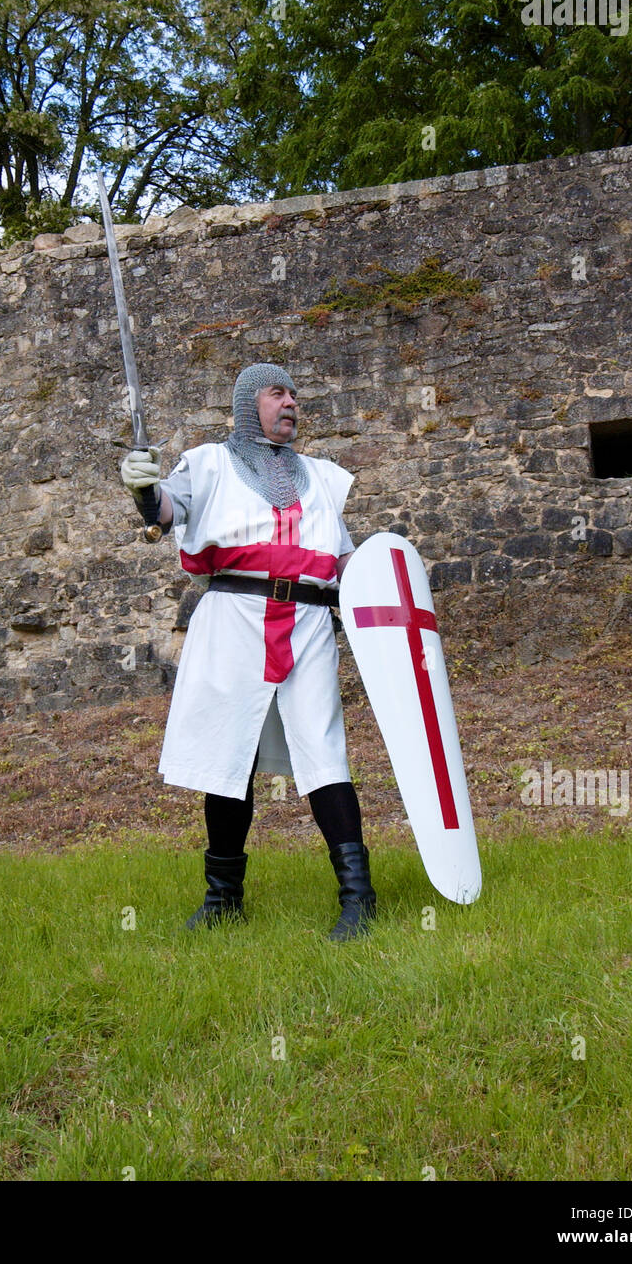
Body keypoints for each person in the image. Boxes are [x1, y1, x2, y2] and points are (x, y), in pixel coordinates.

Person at [120, 362, 376, 940]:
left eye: (294, 395)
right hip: (233, 619)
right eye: (277, 393)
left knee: (324, 749)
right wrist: (142, 488)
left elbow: (345, 562)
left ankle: (359, 899)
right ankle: (222, 900)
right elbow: (166, 511)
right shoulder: (209, 462)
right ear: (246, 403)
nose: (291, 403)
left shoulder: (321, 478)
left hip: (309, 622)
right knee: (228, 756)